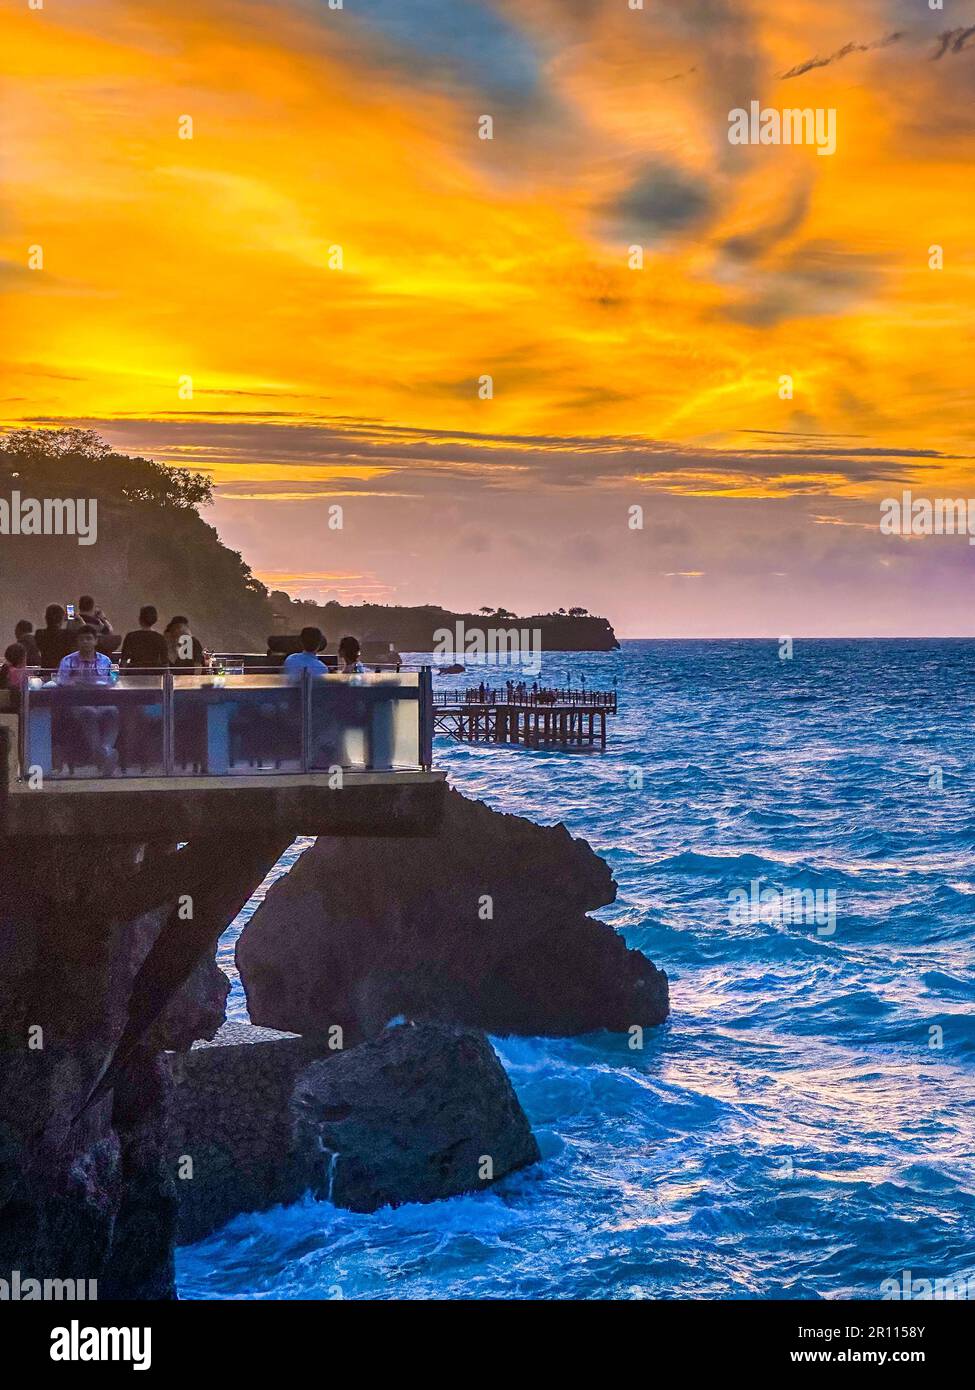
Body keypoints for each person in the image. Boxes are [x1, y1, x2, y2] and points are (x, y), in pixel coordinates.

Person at [55, 625, 120, 776]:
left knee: (113, 712)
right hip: (78, 702)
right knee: (88, 712)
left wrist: (111, 680)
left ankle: (104, 751)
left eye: (89, 638)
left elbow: (114, 678)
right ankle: (106, 755)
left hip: (103, 701)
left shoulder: (106, 660)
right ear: (77, 642)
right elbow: (61, 680)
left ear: (96, 641)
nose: (85, 642)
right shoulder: (68, 661)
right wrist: (76, 682)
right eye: (82, 639)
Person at [34, 604, 75, 671]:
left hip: (46, 670)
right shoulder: (68, 634)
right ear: (62, 618)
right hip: (63, 671)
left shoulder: (40, 633)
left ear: (46, 617)